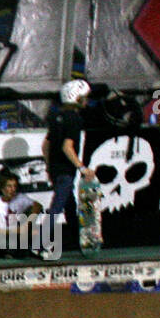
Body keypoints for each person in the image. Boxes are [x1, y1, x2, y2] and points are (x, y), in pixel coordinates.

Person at [40, 79, 98, 260]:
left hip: (57, 169)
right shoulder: (74, 119)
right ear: (76, 98)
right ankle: (40, 244)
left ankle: (76, 240)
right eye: (84, 98)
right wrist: (82, 168)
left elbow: (46, 145)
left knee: (69, 205)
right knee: (57, 207)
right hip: (65, 170)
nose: (86, 101)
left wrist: (50, 168)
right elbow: (67, 147)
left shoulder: (56, 117)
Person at [0, 172, 43, 257]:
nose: (13, 189)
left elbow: (37, 206)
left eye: (14, 186)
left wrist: (27, 224)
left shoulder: (20, 198)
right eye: (9, 186)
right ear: (2, 188)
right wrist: (16, 231)